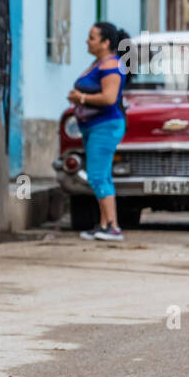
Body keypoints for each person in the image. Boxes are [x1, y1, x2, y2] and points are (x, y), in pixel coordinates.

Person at [69, 21, 130, 242]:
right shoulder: (99, 63)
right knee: (102, 175)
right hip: (93, 126)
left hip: (105, 126)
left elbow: (109, 98)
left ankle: (112, 226)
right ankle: (104, 224)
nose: (87, 41)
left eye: (92, 37)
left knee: (96, 175)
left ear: (106, 43)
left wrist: (81, 98)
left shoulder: (111, 65)